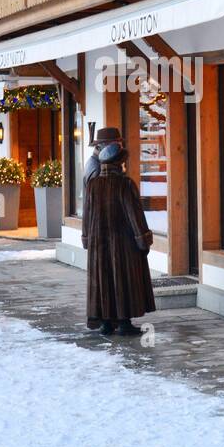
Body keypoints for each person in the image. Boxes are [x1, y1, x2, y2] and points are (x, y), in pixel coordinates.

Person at [82, 142, 156, 336]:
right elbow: (135, 215)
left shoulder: (92, 185)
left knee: (103, 280)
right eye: (123, 161)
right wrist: (143, 240)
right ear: (118, 162)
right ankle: (124, 322)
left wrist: (87, 239)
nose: (125, 164)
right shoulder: (125, 184)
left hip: (98, 244)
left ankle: (106, 323)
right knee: (122, 278)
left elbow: (86, 216)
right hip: (123, 243)